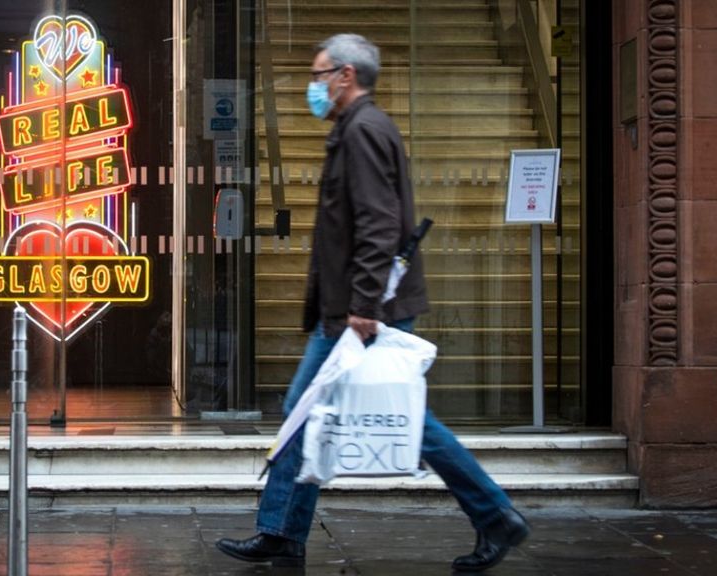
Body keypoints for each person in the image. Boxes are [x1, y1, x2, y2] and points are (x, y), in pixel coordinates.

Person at [215, 34, 530, 572]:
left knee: (337, 414)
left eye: (319, 75)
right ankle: (283, 531)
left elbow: (379, 225)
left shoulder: (363, 131)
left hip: (359, 311)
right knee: (336, 413)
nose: (313, 86)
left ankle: (494, 512)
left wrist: (362, 308)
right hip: (355, 306)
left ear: (345, 75)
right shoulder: (358, 129)